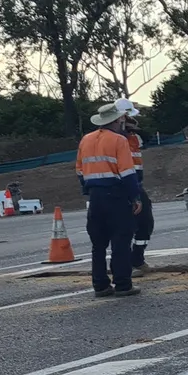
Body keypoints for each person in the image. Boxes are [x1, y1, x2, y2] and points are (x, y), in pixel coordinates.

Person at [77, 102, 142, 298]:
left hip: (95, 197)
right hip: (116, 196)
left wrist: (89, 189)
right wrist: (135, 197)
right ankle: (123, 284)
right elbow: (127, 172)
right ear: (117, 120)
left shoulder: (86, 140)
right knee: (121, 241)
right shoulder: (119, 140)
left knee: (98, 244)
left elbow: (79, 171)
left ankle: (100, 285)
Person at [120, 104, 154, 272]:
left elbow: (147, 138)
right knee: (125, 226)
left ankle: (137, 259)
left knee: (145, 223)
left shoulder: (133, 137)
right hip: (123, 184)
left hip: (135, 183)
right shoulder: (116, 138)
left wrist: (132, 129)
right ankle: (128, 263)